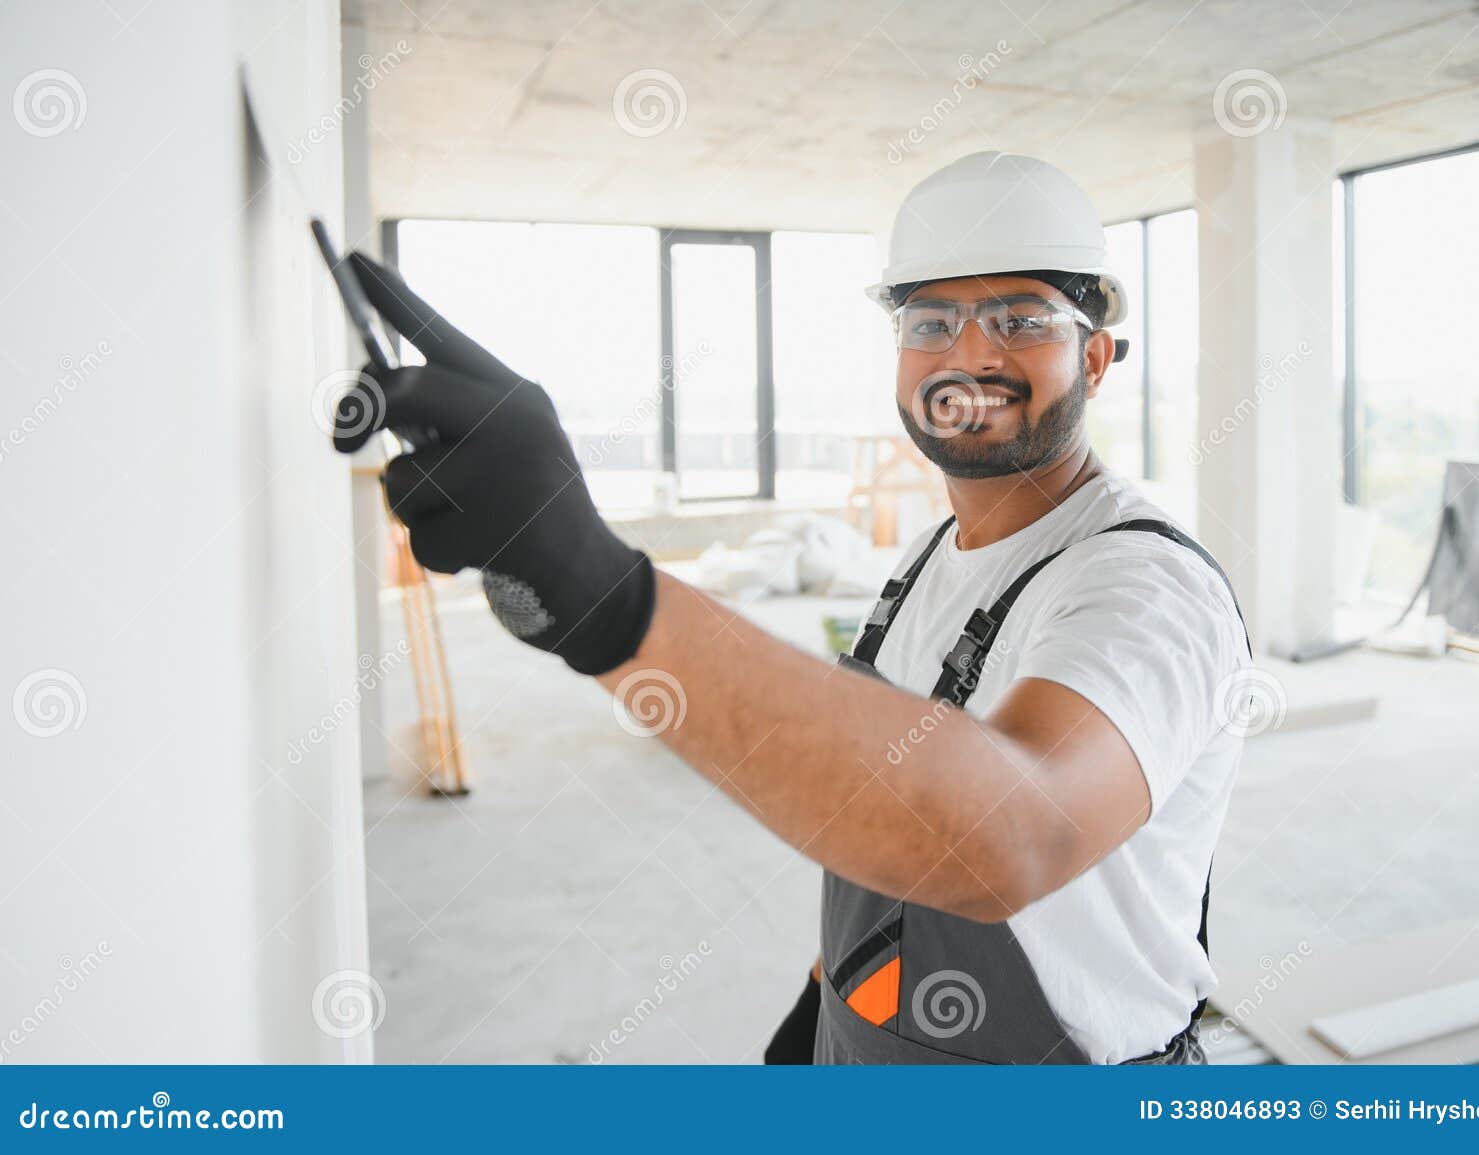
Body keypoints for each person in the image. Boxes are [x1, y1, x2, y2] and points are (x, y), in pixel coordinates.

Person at [331, 151, 1250, 1065]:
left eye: (1021, 318)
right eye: (932, 319)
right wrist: (824, 1001)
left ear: (1093, 356)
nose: (972, 353)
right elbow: (890, 827)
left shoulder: (1143, 588)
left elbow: (1009, 836)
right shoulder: (933, 557)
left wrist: (605, 596)